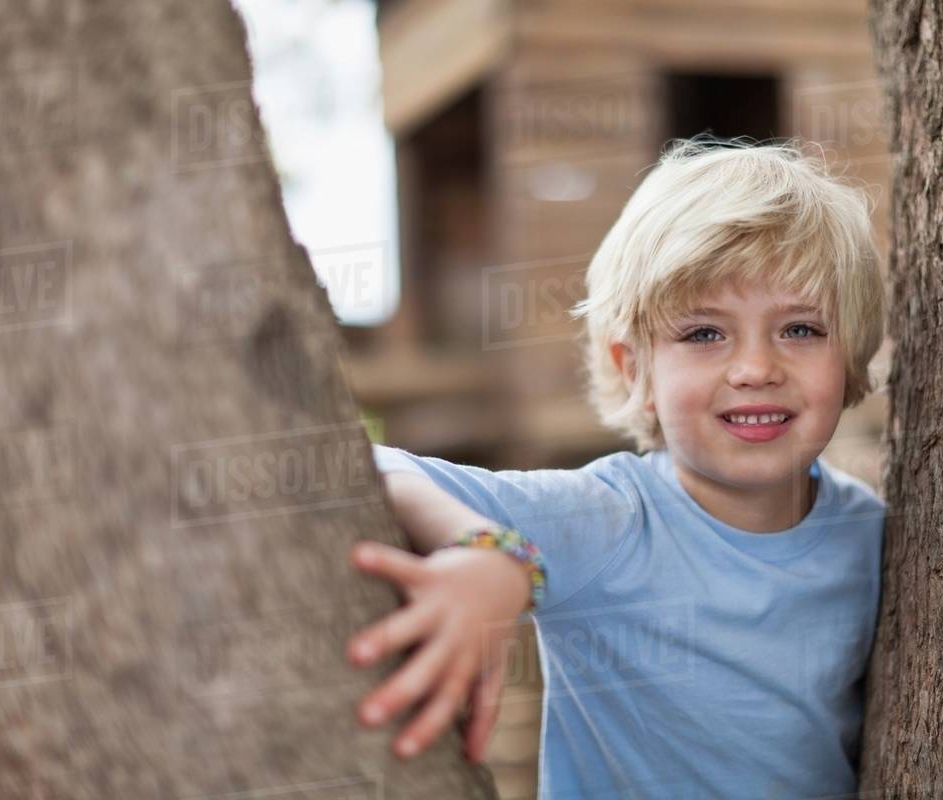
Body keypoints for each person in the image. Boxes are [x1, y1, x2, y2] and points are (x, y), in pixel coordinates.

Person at [347, 136, 888, 799]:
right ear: (636, 370)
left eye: (801, 329)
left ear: (851, 355)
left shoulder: (872, 535)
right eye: (704, 333)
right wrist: (489, 553)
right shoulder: (606, 521)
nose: (756, 368)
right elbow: (368, 464)